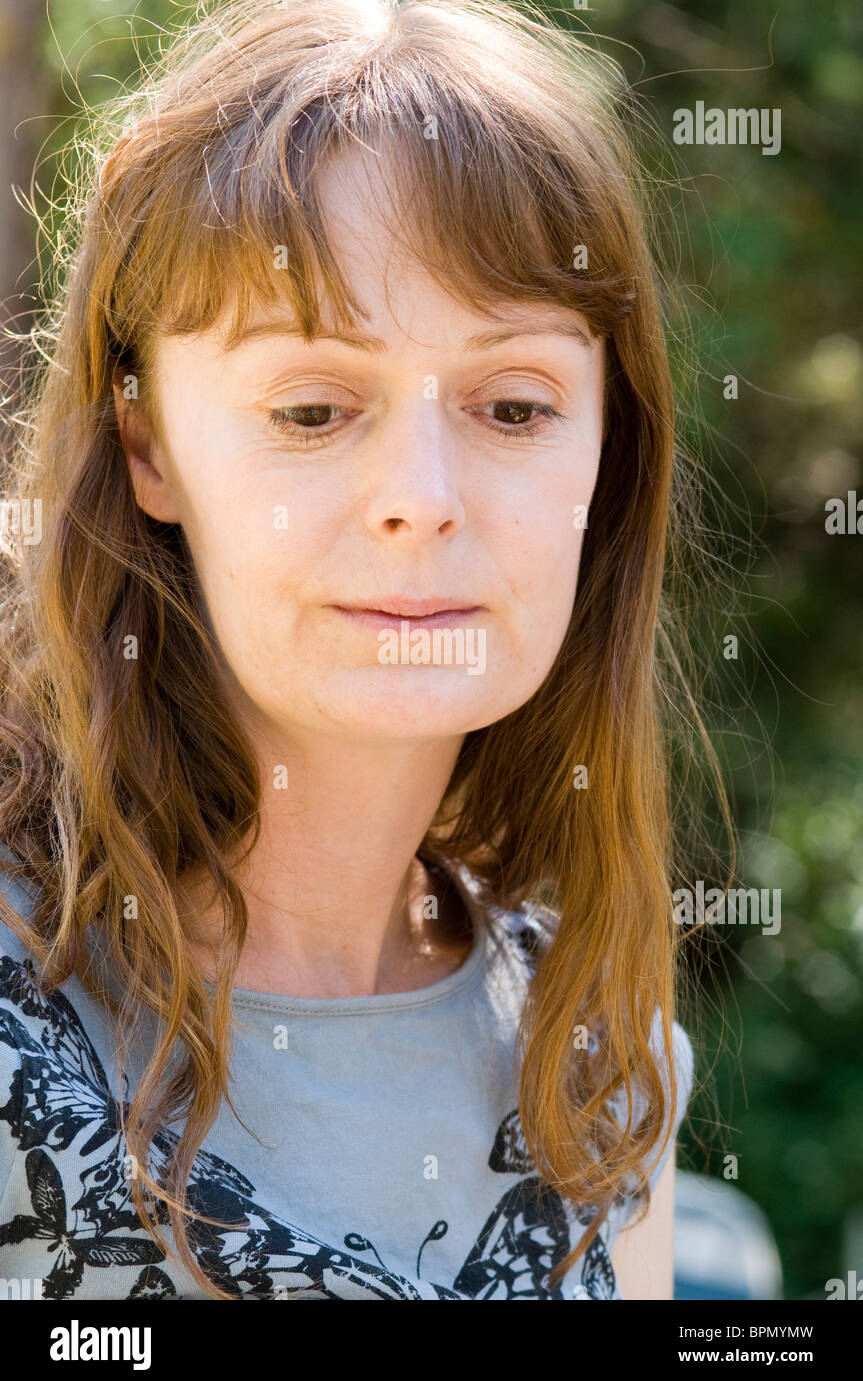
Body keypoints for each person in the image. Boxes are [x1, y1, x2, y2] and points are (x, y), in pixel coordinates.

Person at [0, 0, 712, 1301]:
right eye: (315, 407)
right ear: (148, 442)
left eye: (513, 404)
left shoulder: (606, 1074)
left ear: (610, 451)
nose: (422, 495)